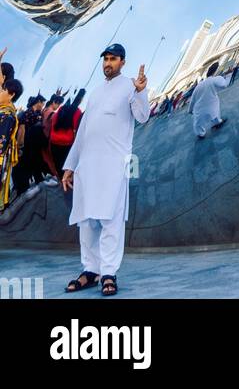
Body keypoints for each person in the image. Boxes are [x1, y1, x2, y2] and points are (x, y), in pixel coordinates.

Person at [61, 44, 149, 297]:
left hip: (114, 165)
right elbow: (82, 133)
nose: (107, 63)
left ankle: (109, 272)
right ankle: (91, 270)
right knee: (86, 221)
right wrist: (69, 165)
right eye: (105, 59)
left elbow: (142, 116)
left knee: (111, 219)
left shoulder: (131, 86)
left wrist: (141, 92)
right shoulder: (96, 93)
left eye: (113, 59)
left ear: (123, 62)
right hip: (87, 166)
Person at [11, 93, 47, 196]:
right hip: (25, 147)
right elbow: (21, 131)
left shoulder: (37, 114)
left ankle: (23, 189)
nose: (43, 105)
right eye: (42, 103)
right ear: (38, 102)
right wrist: (19, 147)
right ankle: (20, 191)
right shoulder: (27, 113)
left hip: (32, 149)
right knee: (21, 169)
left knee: (26, 170)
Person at [49, 88, 85, 176]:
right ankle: (66, 184)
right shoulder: (77, 111)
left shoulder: (61, 108)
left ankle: (61, 181)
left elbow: (53, 121)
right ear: (79, 99)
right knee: (66, 166)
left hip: (54, 142)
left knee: (58, 165)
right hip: (67, 144)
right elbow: (76, 130)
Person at [0, 75, 24, 209]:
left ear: (11, 94)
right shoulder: (4, 111)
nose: (0, 92)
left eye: (3, 90)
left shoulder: (7, 116)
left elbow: (0, 145)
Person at [190, 61, 229, 139]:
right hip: (211, 104)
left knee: (198, 122)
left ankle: (200, 134)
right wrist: (225, 77)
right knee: (215, 114)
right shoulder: (214, 79)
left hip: (199, 108)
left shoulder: (199, 85)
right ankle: (218, 122)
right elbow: (224, 84)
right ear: (215, 71)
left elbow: (193, 99)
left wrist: (190, 110)